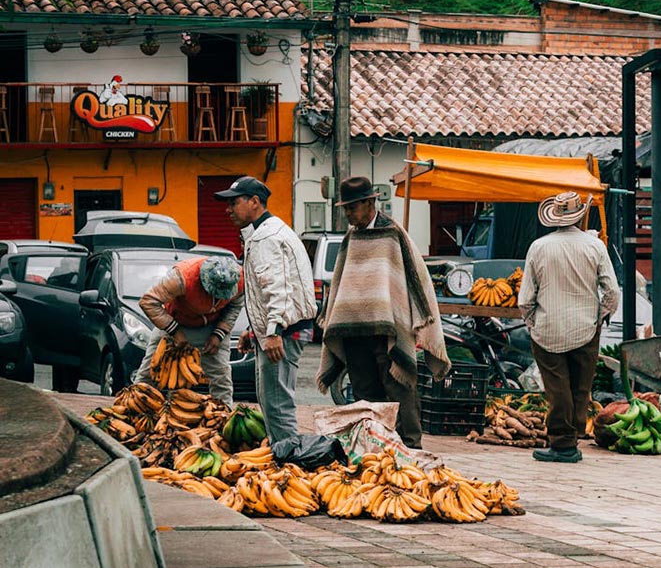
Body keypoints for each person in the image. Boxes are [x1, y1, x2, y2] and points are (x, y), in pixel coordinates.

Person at [316, 176, 449, 449]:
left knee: (398, 388)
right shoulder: (350, 238)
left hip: (387, 329)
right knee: (364, 393)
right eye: (346, 208)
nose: (349, 214)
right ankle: (376, 446)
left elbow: (413, 278)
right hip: (354, 329)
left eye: (353, 207)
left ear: (369, 202)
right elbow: (343, 282)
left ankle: (411, 446)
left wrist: (417, 320)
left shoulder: (392, 233)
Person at [215, 175, 317, 444]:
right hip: (283, 328)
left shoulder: (266, 237)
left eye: (233, 203)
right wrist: (254, 329)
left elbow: (278, 288)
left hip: (284, 331)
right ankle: (282, 454)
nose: (227, 210)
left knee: (277, 404)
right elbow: (269, 288)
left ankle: (288, 463)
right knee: (271, 400)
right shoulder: (267, 232)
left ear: (255, 202)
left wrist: (273, 331)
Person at [518, 191, 619, 463]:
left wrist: (532, 324)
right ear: (581, 215)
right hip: (585, 328)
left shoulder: (538, 247)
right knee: (580, 388)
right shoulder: (594, 246)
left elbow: (525, 298)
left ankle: (562, 444)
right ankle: (571, 440)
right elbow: (611, 291)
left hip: (547, 328)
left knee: (557, 387)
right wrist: (600, 317)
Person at [135, 255, 244, 408]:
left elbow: (235, 306)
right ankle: (135, 408)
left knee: (221, 376)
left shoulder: (239, 280)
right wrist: (174, 330)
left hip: (213, 325)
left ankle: (223, 417)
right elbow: (148, 302)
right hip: (175, 322)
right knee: (149, 372)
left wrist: (219, 333)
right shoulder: (181, 278)